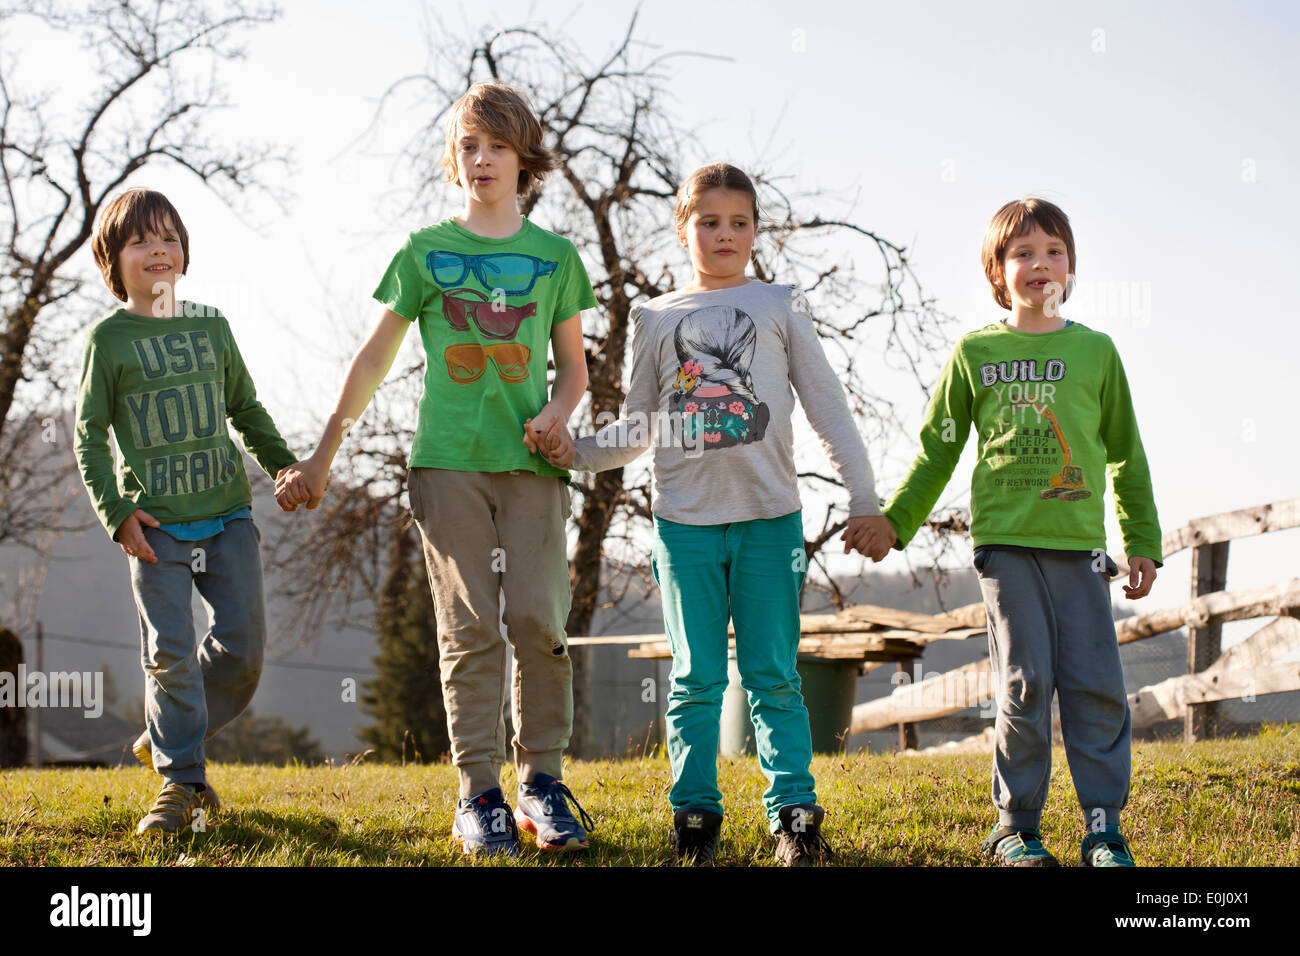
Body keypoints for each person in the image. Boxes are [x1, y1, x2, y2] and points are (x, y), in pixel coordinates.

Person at [275, 82, 597, 856]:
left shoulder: (555, 258)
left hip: (531, 471)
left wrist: (558, 417)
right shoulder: (424, 252)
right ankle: (479, 796)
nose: (479, 158)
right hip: (446, 466)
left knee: (536, 621)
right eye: (466, 145)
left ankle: (543, 785)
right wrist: (323, 452)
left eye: (494, 145)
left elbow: (575, 373)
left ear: (524, 161)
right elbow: (374, 358)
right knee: (471, 629)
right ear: (455, 161)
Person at [541, 163, 893, 866]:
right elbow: (637, 427)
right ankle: (695, 820)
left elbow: (827, 405)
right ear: (683, 230)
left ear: (757, 232)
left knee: (773, 675)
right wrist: (571, 450)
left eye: (739, 222)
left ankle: (794, 815)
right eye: (709, 221)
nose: (724, 234)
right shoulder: (656, 316)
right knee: (696, 680)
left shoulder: (779, 306)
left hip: (771, 520)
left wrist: (864, 498)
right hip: (684, 525)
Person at [881, 197, 1161, 867]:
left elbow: (1125, 452)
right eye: (1023, 253)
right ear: (996, 270)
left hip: (1083, 550)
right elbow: (938, 448)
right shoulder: (976, 352)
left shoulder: (1095, 351)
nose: (1041, 264)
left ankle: (1102, 828)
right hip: (1005, 550)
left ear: (1072, 267)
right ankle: (1016, 827)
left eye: (1054, 252)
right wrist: (895, 522)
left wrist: (1142, 539)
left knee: (1094, 683)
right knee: (1025, 682)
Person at [74, 188, 300, 836]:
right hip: (154, 526)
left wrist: (282, 466)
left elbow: (246, 409)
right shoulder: (109, 340)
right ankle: (180, 784)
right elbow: (88, 433)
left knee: (243, 652)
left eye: (170, 237)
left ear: (185, 253)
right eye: (142, 240)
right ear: (113, 260)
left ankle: (165, 733)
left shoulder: (211, 324)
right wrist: (115, 513)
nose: (159, 249)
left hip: (228, 513)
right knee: (169, 654)